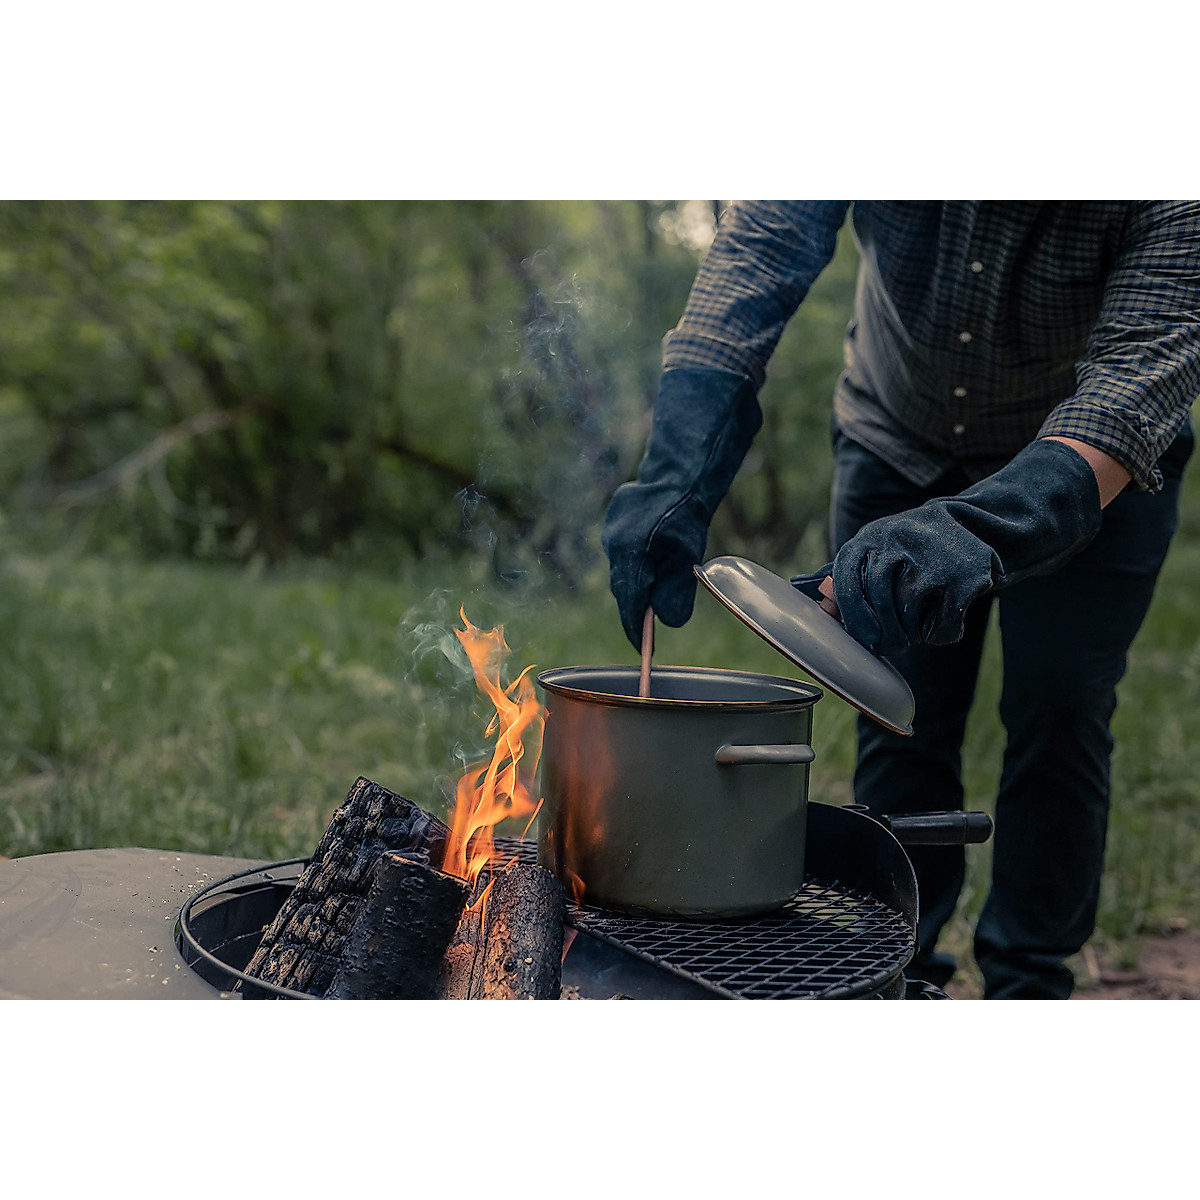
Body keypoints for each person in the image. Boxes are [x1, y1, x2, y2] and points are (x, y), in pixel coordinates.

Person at [602, 202, 1200, 999]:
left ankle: (1030, 982)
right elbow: (760, 250)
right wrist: (680, 464)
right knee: (899, 722)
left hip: (1092, 469)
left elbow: (1126, 399)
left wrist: (975, 527)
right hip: (896, 435)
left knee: (1061, 711)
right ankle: (899, 971)